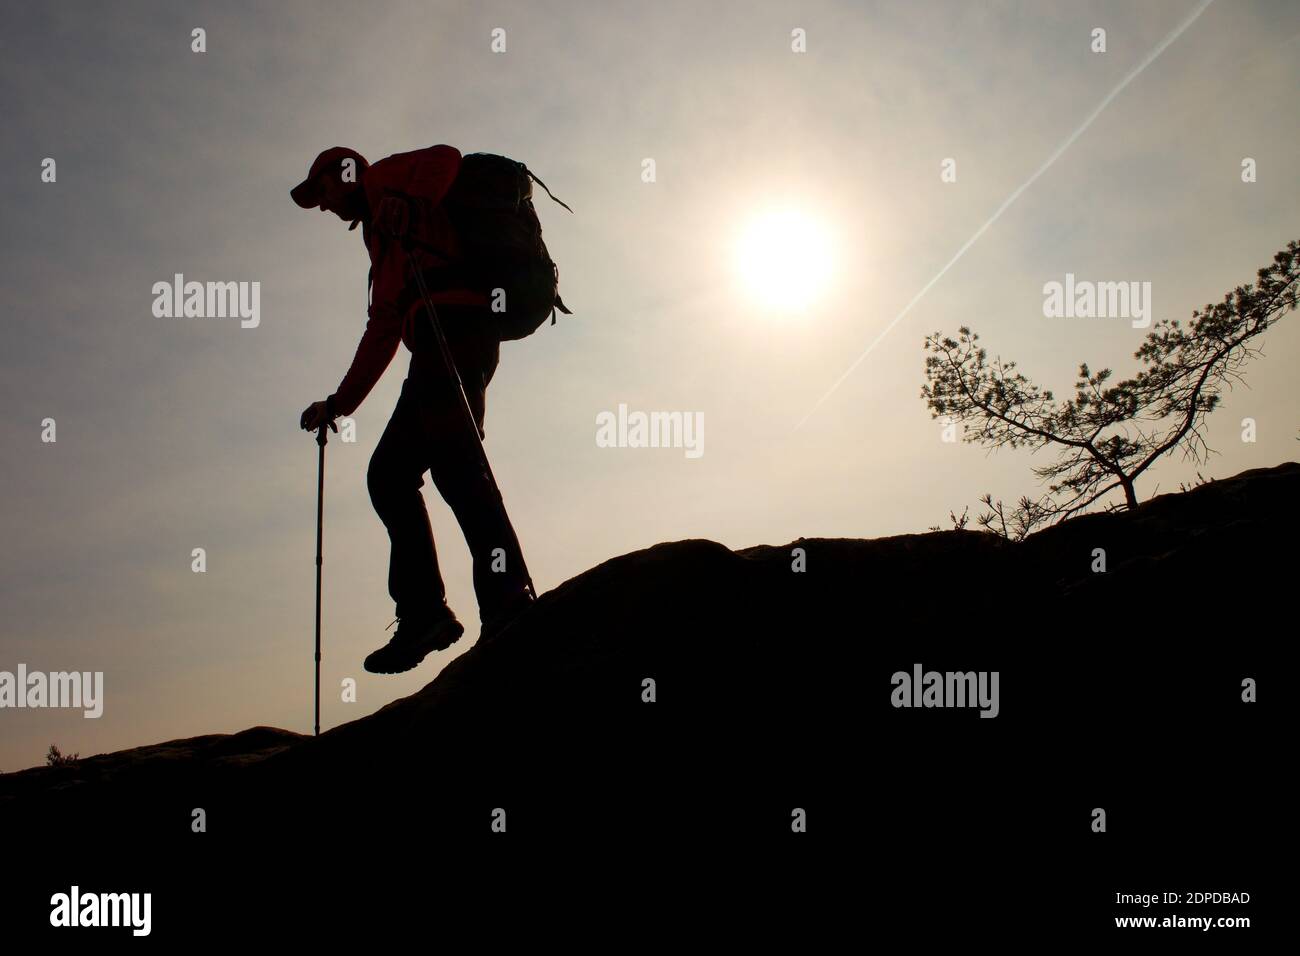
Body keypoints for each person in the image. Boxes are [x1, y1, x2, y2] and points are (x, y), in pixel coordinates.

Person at [293, 145, 534, 674]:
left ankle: (505, 600)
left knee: (452, 463)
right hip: (432, 337)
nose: (325, 207)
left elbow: (446, 157)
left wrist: (408, 202)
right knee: (390, 474)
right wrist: (339, 403)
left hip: (458, 325)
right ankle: (430, 611)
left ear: (345, 172)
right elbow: (382, 327)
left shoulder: (386, 180)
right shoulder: (378, 238)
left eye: (323, 192)